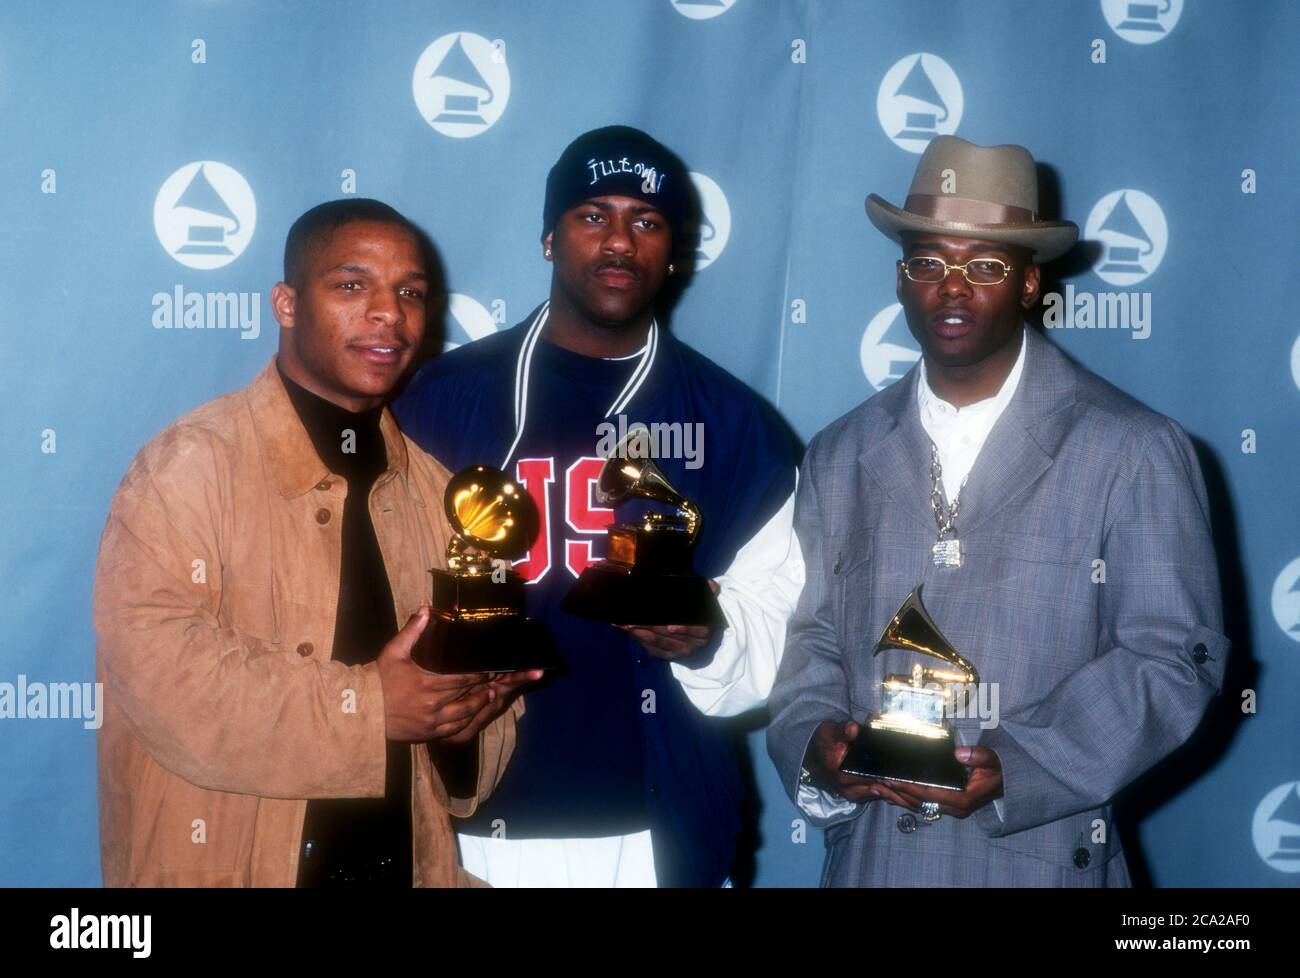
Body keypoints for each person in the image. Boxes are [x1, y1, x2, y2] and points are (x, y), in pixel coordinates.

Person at [766, 136, 1229, 886]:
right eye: (929, 262)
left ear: (1028, 282)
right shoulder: (838, 453)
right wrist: (814, 741)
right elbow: (808, 642)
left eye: (985, 265)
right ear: (900, 280)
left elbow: (1173, 655)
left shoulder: (1134, 448)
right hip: (874, 859)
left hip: (1040, 862)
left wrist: (1017, 765)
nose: (952, 287)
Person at [395, 126, 802, 886]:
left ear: (675, 252)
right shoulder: (439, 401)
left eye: (646, 222)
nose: (620, 241)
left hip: (654, 830)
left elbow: (780, 628)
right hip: (470, 824)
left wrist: (706, 641)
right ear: (548, 238)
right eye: (593, 215)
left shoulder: (734, 424)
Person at [94, 198, 539, 887]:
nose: (390, 313)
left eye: (411, 293)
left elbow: (470, 763)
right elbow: (163, 676)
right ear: (287, 303)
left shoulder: (435, 490)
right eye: (352, 285)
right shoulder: (189, 464)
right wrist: (370, 708)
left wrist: (462, 723)